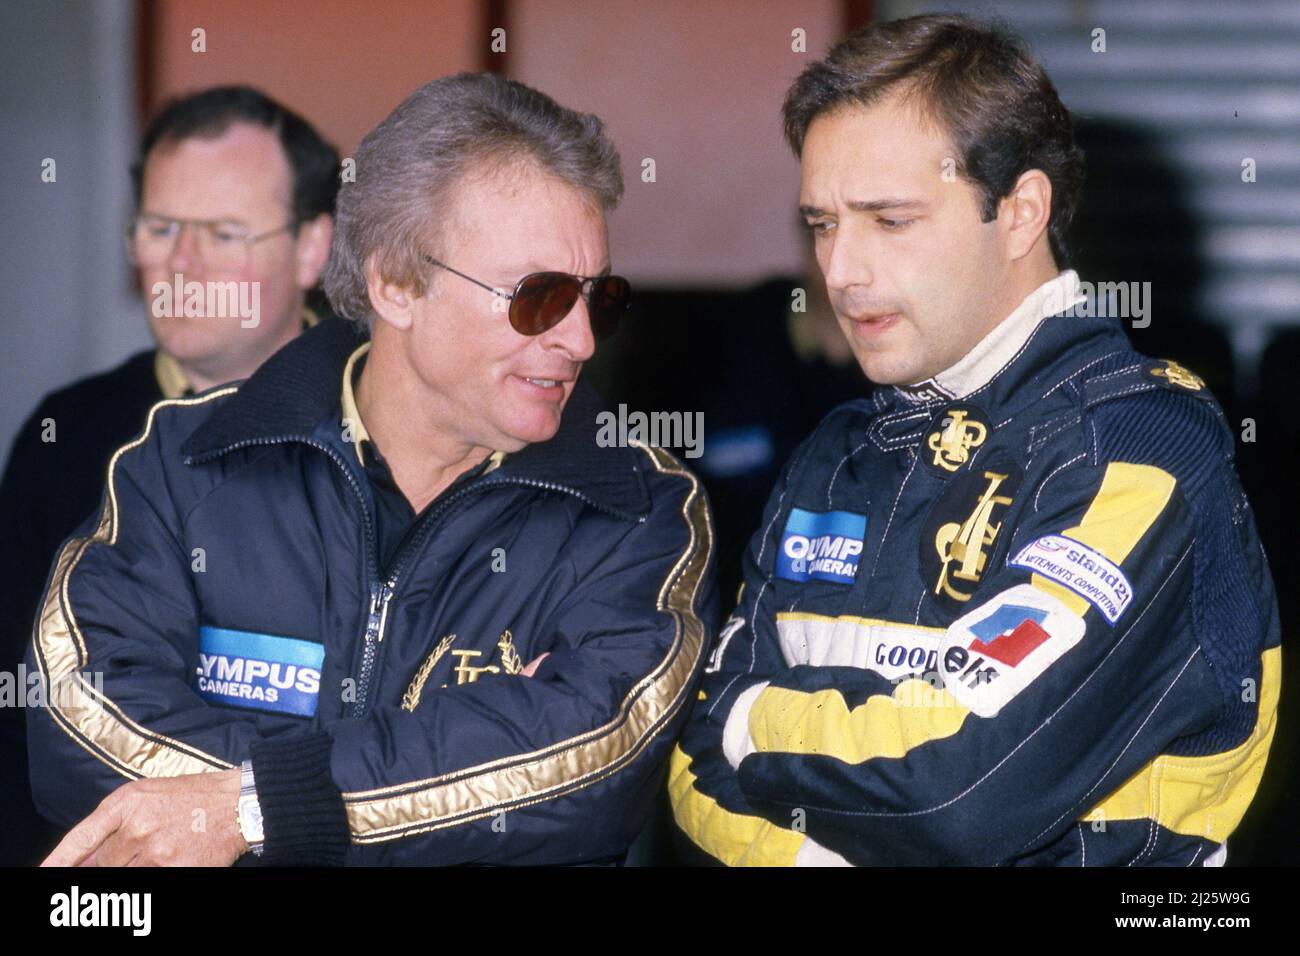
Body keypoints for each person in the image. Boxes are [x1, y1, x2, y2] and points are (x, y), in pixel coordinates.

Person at [27, 72, 716, 867]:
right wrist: (435, 774)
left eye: (600, 298)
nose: (580, 341)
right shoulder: (183, 461)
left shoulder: (641, 508)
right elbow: (81, 720)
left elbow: (577, 768)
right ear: (393, 281)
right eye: (539, 297)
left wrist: (256, 812)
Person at [670, 14, 1279, 866]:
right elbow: (694, 774)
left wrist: (750, 720)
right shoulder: (837, 449)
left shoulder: (1141, 443)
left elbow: (958, 794)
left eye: (889, 221)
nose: (840, 271)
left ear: (1022, 212)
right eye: (821, 224)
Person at [0, 85, 337, 865]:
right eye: (160, 228)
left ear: (312, 248)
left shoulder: (377, 421)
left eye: (223, 233)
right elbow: (15, 723)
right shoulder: (69, 432)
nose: (182, 263)